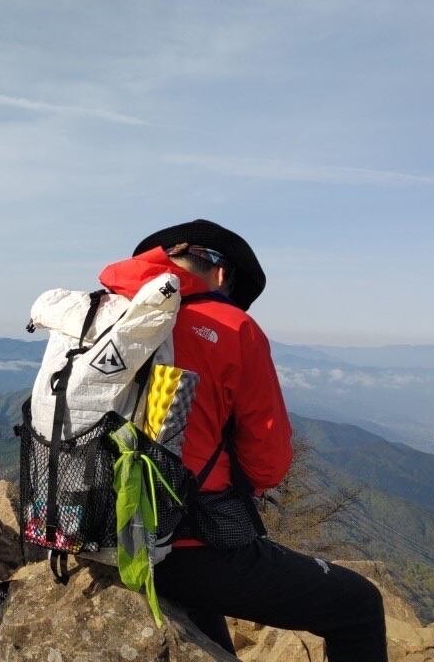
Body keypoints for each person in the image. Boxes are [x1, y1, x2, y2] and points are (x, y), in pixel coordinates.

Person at [96, 220, 386, 661]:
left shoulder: (101, 312)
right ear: (220, 274)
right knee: (359, 605)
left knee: (207, 626)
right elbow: (268, 464)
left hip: (94, 529)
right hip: (185, 545)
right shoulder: (230, 326)